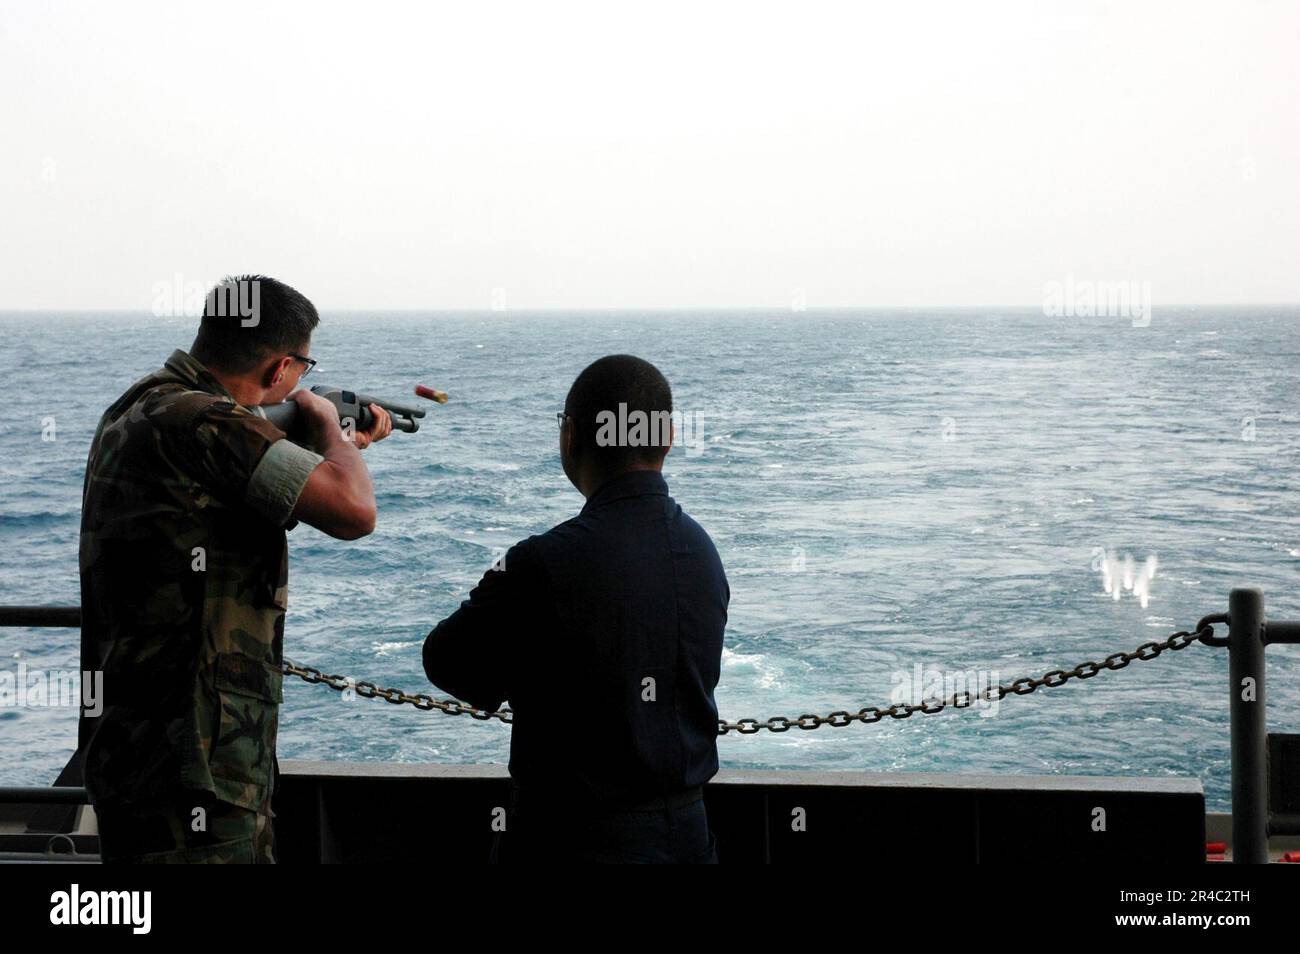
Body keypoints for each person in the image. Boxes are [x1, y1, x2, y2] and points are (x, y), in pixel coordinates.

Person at [78, 275, 393, 863]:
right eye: (301, 369)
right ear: (280, 370)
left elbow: (219, 505)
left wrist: (327, 448)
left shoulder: (141, 405)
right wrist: (330, 428)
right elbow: (354, 513)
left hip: (135, 745)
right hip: (195, 763)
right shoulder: (208, 422)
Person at [423, 354, 728, 863]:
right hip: (689, 838)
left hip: (570, 840)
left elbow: (449, 664)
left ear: (570, 437)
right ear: (667, 438)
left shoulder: (542, 562)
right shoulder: (703, 552)